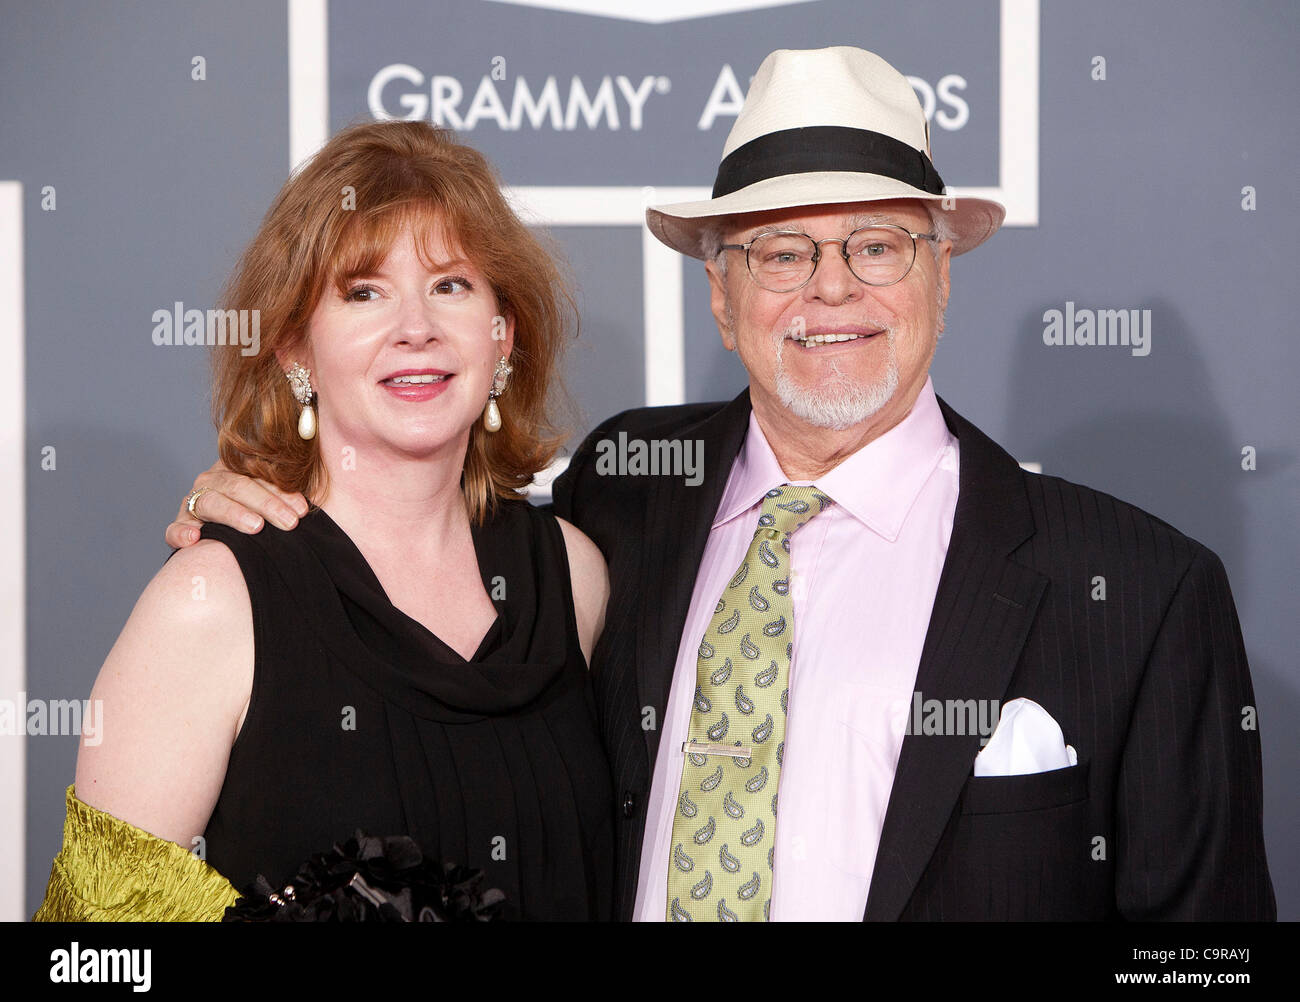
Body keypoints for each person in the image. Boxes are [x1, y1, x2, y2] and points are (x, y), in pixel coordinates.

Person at [161, 48, 1275, 921]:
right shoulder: (619, 505)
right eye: (781, 252)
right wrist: (264, 513)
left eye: (877, 246)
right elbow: (402, 575)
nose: (829, 289)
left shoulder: (1134, 590)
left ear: (941, 272)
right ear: (720, 294)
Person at [36, 120, 614, 921]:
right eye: (364, 291)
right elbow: (91, 956)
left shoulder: (574, 575)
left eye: (451, 285)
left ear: (502, 335)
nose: (416, 326)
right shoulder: (215, 600)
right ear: (294, 351)